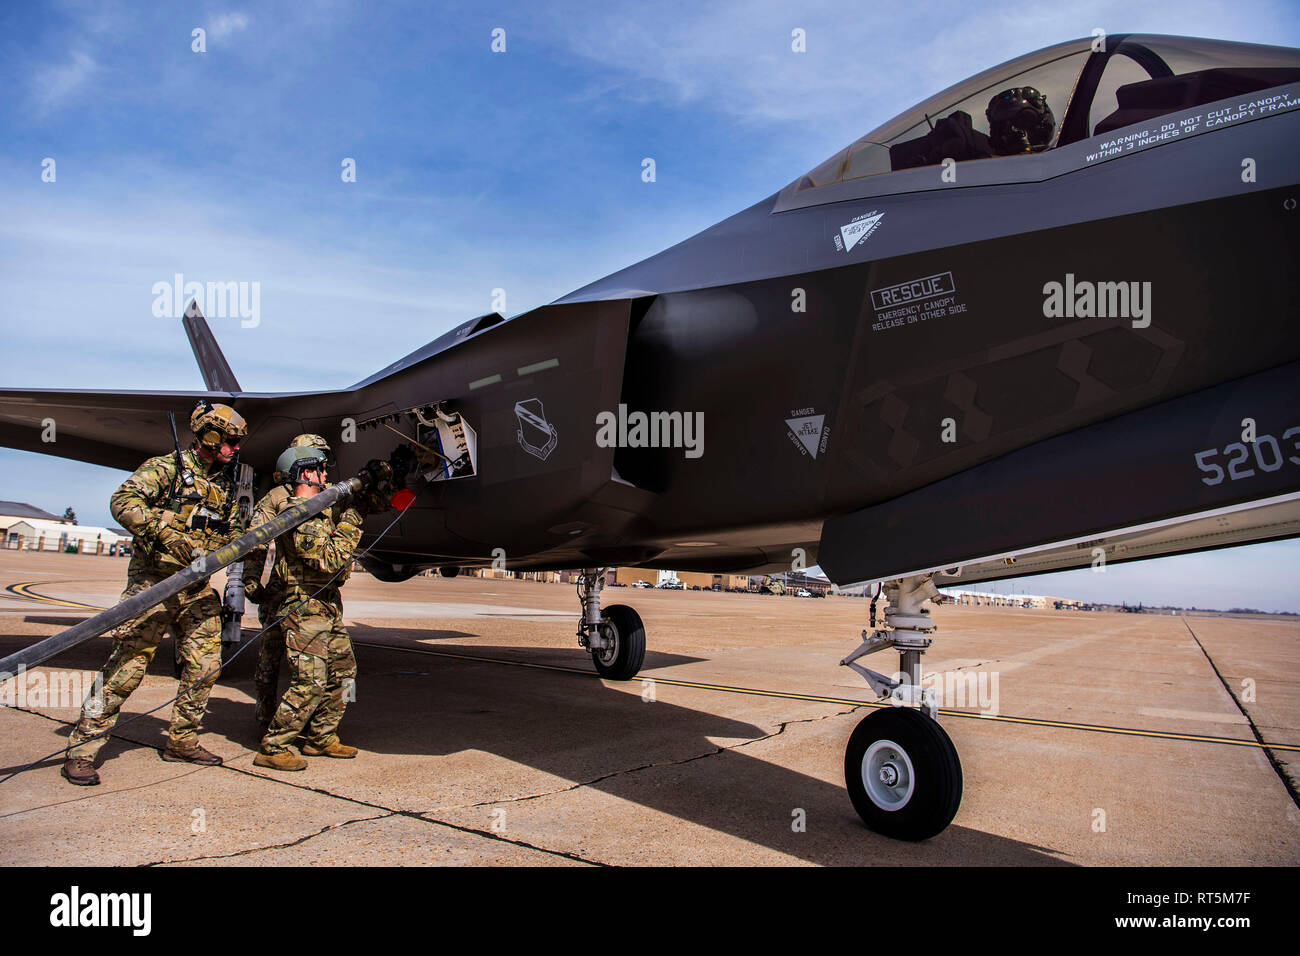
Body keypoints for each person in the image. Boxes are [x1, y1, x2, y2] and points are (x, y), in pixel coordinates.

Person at [62, 401, 249, 786]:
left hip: (195, 592)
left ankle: (182, 741)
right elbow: (123, 502)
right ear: (209, 437)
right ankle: (82, 750)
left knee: (205, 666)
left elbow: (227, 532)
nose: (234, 449)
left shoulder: (225, 485)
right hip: (153, 587)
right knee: (126, 670)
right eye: (229, 441)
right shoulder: (165, 469)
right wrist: (165, 534)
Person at [243, 436, 391, 736]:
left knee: (326, 669)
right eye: (318, 460)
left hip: (321, 590)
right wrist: (250, 579)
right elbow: (256, 541)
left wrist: (381, 480)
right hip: (284, 590)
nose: (324, 468)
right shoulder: (278, 499)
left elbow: (373, 505)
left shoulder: (329, 494)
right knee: (272, 659)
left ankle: (316, 729)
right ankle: (267, 719)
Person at [252, 445, 367, 771]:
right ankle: (274, 746)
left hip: (326, 605)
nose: (326, 473)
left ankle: (321, 736)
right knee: (310, 682)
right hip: (303, 608)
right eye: (321, 468)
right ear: (305, 473)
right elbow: (328, 559)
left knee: (346, 675)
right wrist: (353, 520)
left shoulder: (321, 508)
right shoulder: (299, 513)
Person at [890, 86, 1055, 170]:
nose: (1017, 132)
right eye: (1005, 127)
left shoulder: (1061, 162)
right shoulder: (979, 173)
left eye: (1025, 121)